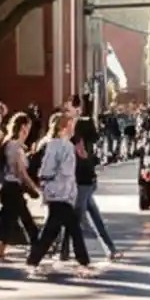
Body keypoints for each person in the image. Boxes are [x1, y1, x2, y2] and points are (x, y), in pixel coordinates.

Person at [26, 113, 92, 276]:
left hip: (59, 192)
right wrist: (51, 180)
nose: (72, 129)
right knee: (73, 227)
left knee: (52, 229)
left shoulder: (59, 144)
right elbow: (50, 168)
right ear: (63, 127)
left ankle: (33, 260)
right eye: (70, 125)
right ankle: (83, 261)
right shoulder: (60, 145)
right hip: (59, 192)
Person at [0, 112, 40, 261]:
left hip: (10, 188)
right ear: (23, 127)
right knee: (24, 220)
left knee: (7, 221)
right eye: (28, 127)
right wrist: (34, 188)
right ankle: (38, 245)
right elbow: (21, 172)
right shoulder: (14, 146)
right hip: (12, 188)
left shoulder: (11, 144)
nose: (28, 132)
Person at [58, 115, 119, 261]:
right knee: (86, 218)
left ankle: (66, 251)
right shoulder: (83, 141)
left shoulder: (76, 141)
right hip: (86, 182)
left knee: (77, 219)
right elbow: (87, 159)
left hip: (81, 183)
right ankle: (109, 249)